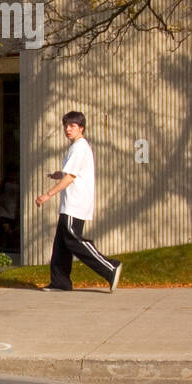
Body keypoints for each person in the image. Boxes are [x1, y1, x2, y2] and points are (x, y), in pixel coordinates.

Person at [34, 111, 122, 292]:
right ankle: (61, 282)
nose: (68, 129)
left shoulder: (80, 147)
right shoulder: (75, 147)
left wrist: (48, 195)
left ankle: (110, 268)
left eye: (72, 126)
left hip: (75, 203)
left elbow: (71, 178)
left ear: (81, 128)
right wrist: (59, 174)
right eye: (66, 125)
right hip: (70, 204)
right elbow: (71, 173)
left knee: (73, 240)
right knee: (62, 243)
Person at [0, 165, 20, 248]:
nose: (14, 175)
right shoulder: (2, 183)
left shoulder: (19, 183)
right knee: (7, 232)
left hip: (14, 213)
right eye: (12, 173)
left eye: (15, 173)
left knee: (12, 233)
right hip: (4, 212)